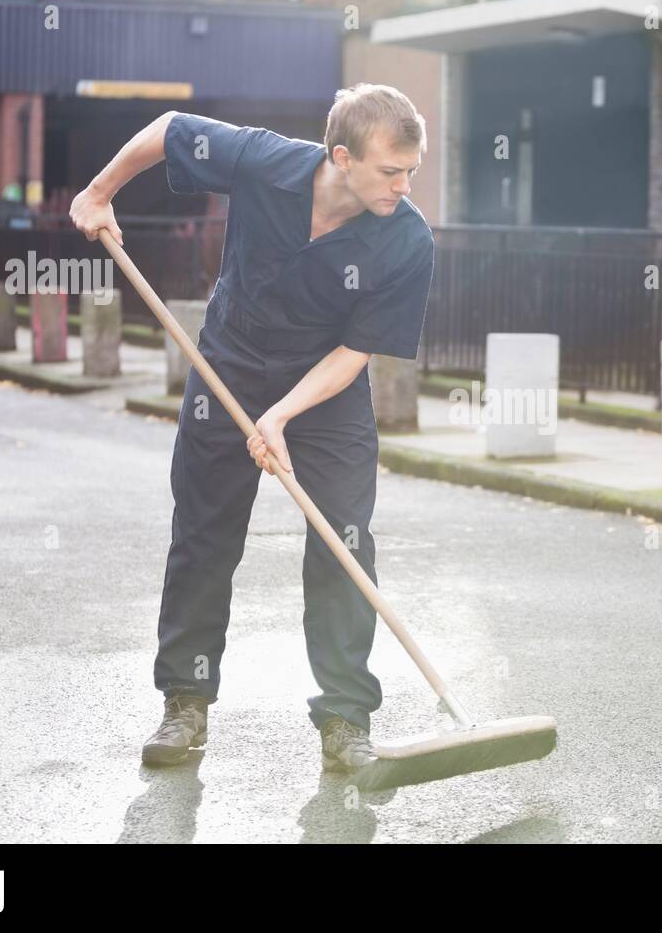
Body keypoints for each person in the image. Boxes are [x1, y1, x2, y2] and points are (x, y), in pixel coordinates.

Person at [69, 84, 435, 770]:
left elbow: (357, 350)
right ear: (341, 157)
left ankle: (345, 722)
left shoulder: (406, 239)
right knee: (204, 536)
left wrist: (283, 414)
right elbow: (173, 126)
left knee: (344, 548)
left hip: (325, 393)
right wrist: (99, 190)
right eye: (391, 170)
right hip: (228, 369)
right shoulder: (263, 161)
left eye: (411, 170)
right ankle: (185, 705)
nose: (404, 185)